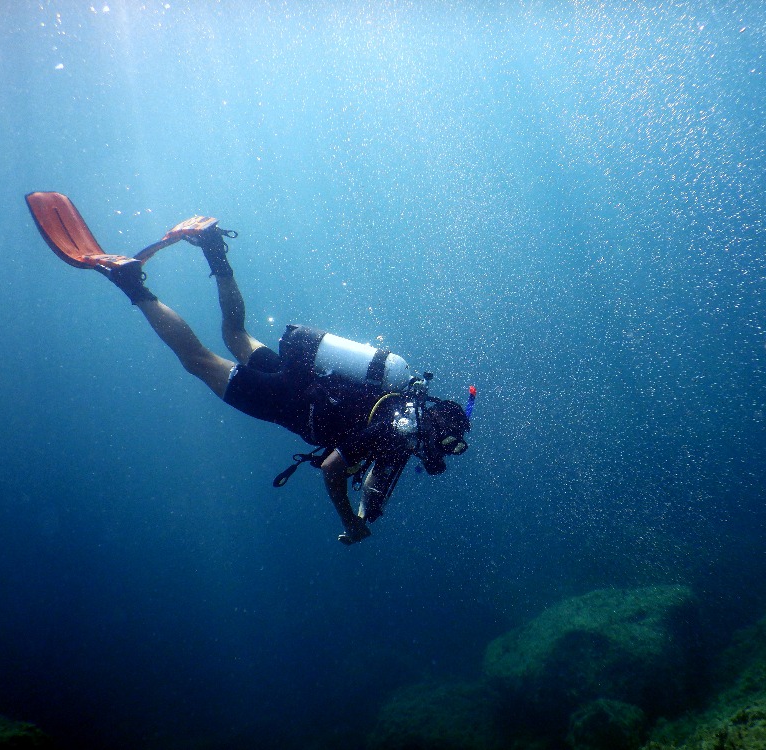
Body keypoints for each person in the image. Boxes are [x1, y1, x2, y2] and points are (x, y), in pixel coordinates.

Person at [27, 193, 472, 546]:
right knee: (198, 361)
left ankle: (215, 250)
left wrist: (365, 513)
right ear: (434, 431)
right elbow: (334, 469)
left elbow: (376, 478)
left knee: (236, 335)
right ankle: (130, 283)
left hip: (302, 377)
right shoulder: (397, 434)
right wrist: (349, 522)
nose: (441, 453)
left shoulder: (401, 404)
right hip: (286, 402)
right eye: (448, 446)